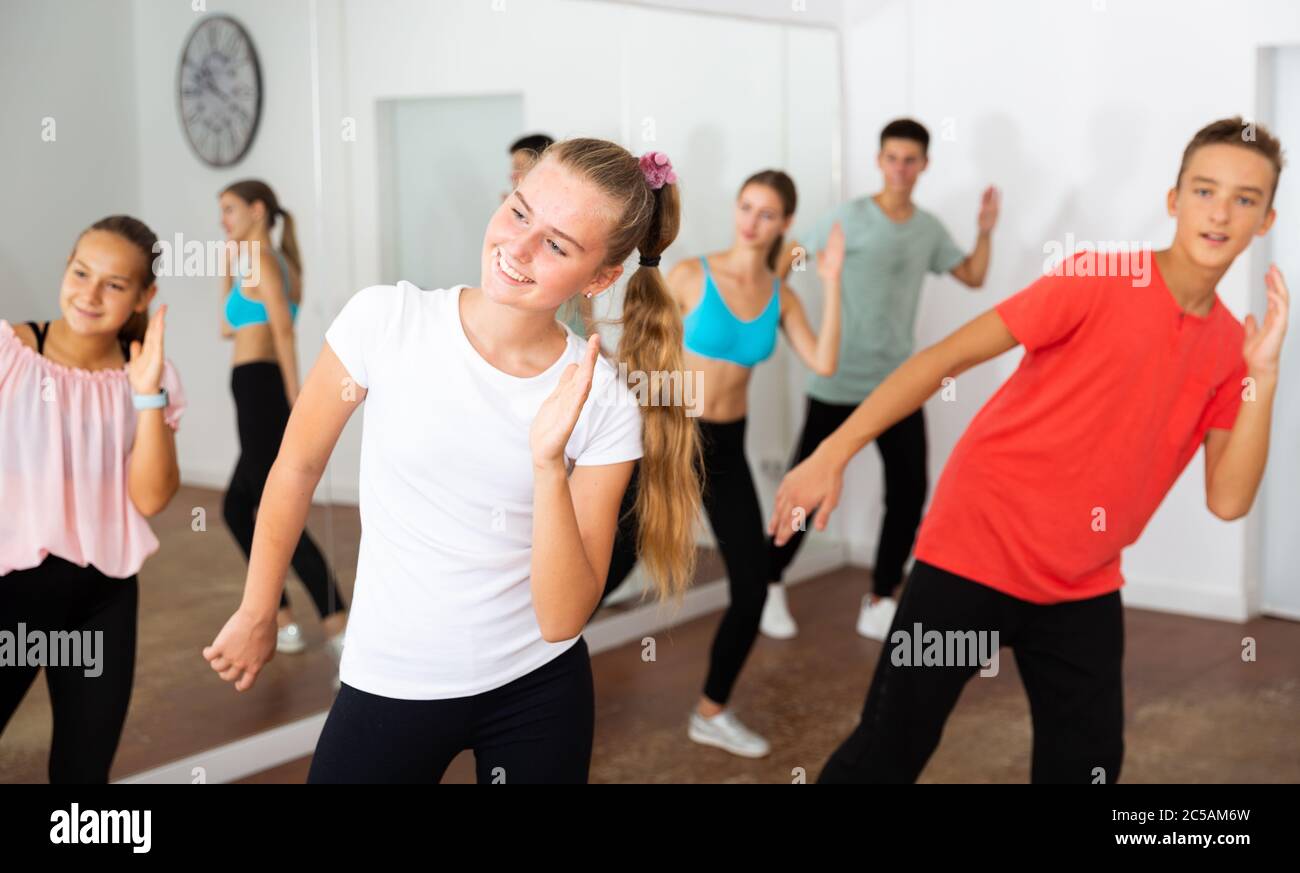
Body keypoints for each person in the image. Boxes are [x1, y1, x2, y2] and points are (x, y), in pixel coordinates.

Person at [769, 117, 1287, 783]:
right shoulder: (1098, 278)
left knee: (1089, 768)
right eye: (1204, 190)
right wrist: (832, 451)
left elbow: (1228, 499)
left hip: (1083, 582)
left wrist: (1264, 377)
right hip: (973, 555)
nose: (1220, 212)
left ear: (1266, 219)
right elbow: (943, 359)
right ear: (1173, 199)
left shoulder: (1231, 348)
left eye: (1245, 199)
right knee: (888, 751)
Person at [204, 139, 703, 784]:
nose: (518, 248)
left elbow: (560, 619)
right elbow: (296, 469)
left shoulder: (602, 400)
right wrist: (256, 608)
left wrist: (549, 465)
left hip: (537, 688)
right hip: (389, 680)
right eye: (520, 213)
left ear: (601, 277)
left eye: (557, 245)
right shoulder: (386, 321)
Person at [763, 118, 999, 641]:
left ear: (924, 165)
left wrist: (985, 229)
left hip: (898, 385)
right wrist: (793, 315)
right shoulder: (847, 218)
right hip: (837, 380)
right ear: (878, 160)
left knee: (910, 490)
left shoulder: (928, 229)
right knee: (805, 488)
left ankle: (880, 597)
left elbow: (974, 276)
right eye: (891, 157)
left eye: (910, 159)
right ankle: (770, 584)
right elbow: (784, 263)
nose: (900, 168)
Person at [0, 215, 185, 783]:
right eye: (81, 272)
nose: (90, 293)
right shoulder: (10, 353)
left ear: (143, 296)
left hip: (101, 601)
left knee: (82, 780)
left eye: (114, 283)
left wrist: (147, 394)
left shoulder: (147, 374)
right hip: (11, 595)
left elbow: (151, 499)